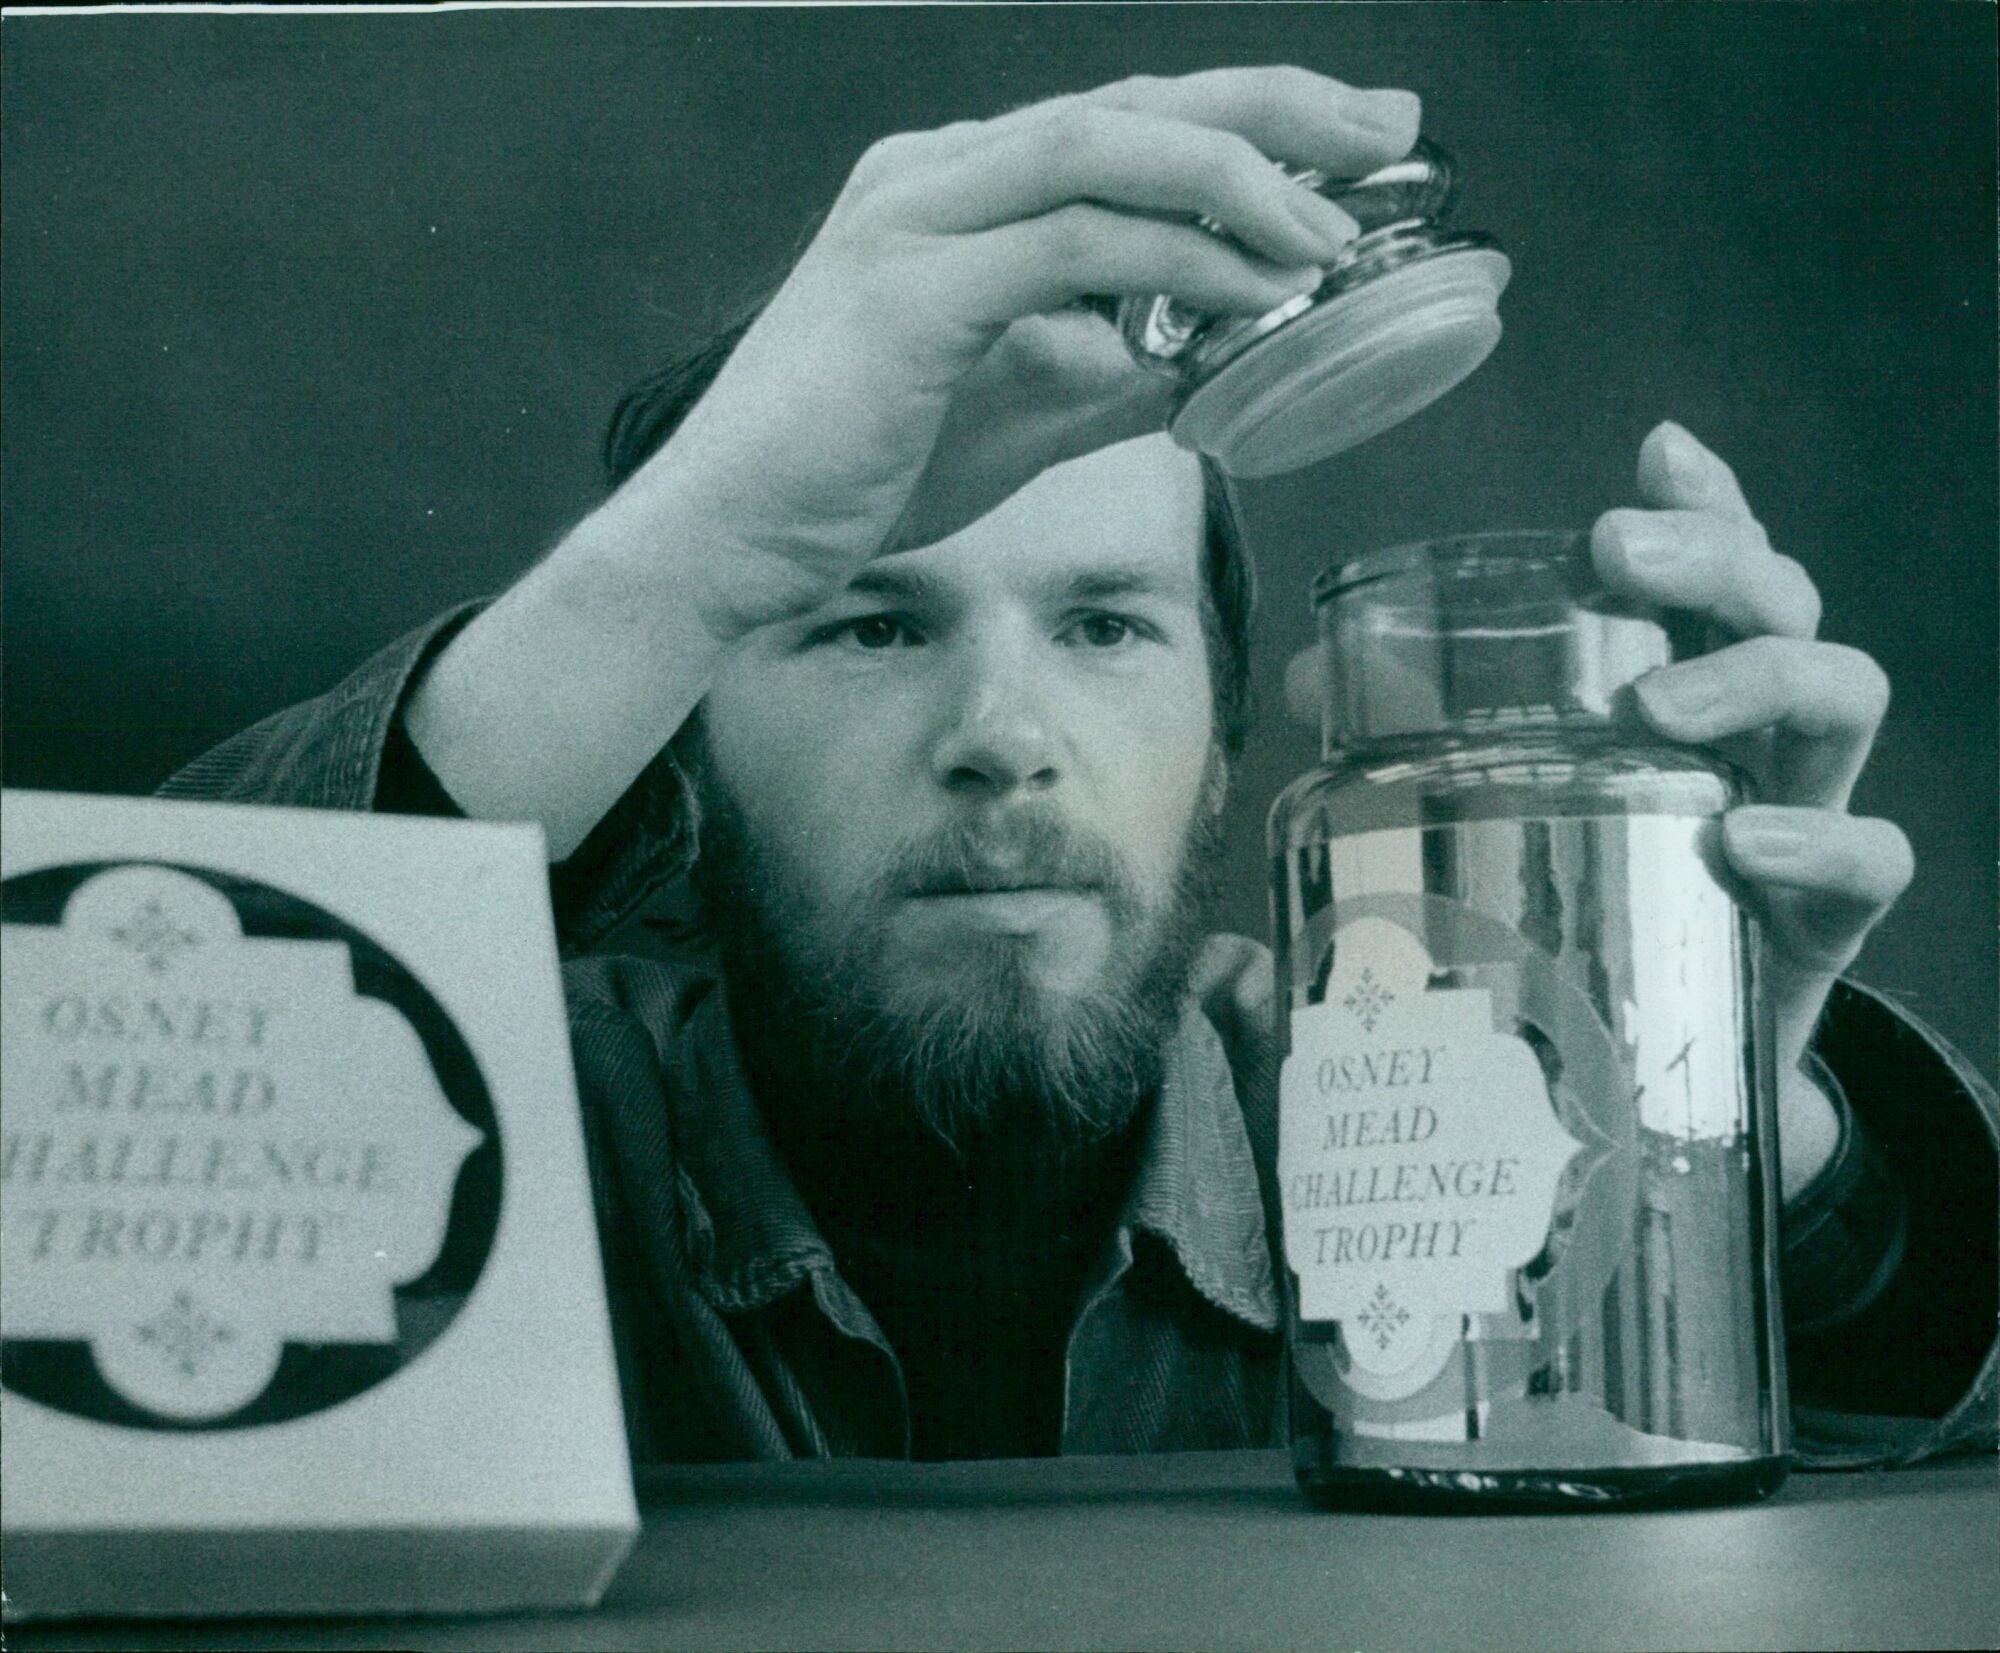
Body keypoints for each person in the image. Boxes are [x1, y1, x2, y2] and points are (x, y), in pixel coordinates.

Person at [164, 67, 1995, 1464]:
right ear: (680, 746)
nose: (1003, 742)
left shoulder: (1433, 1116)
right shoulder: (492, 1114)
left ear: (1220, 735)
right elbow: (114, 1078)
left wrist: (1727, 1141)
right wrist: (690, 556)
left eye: (1107, 626)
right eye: (868, 628)